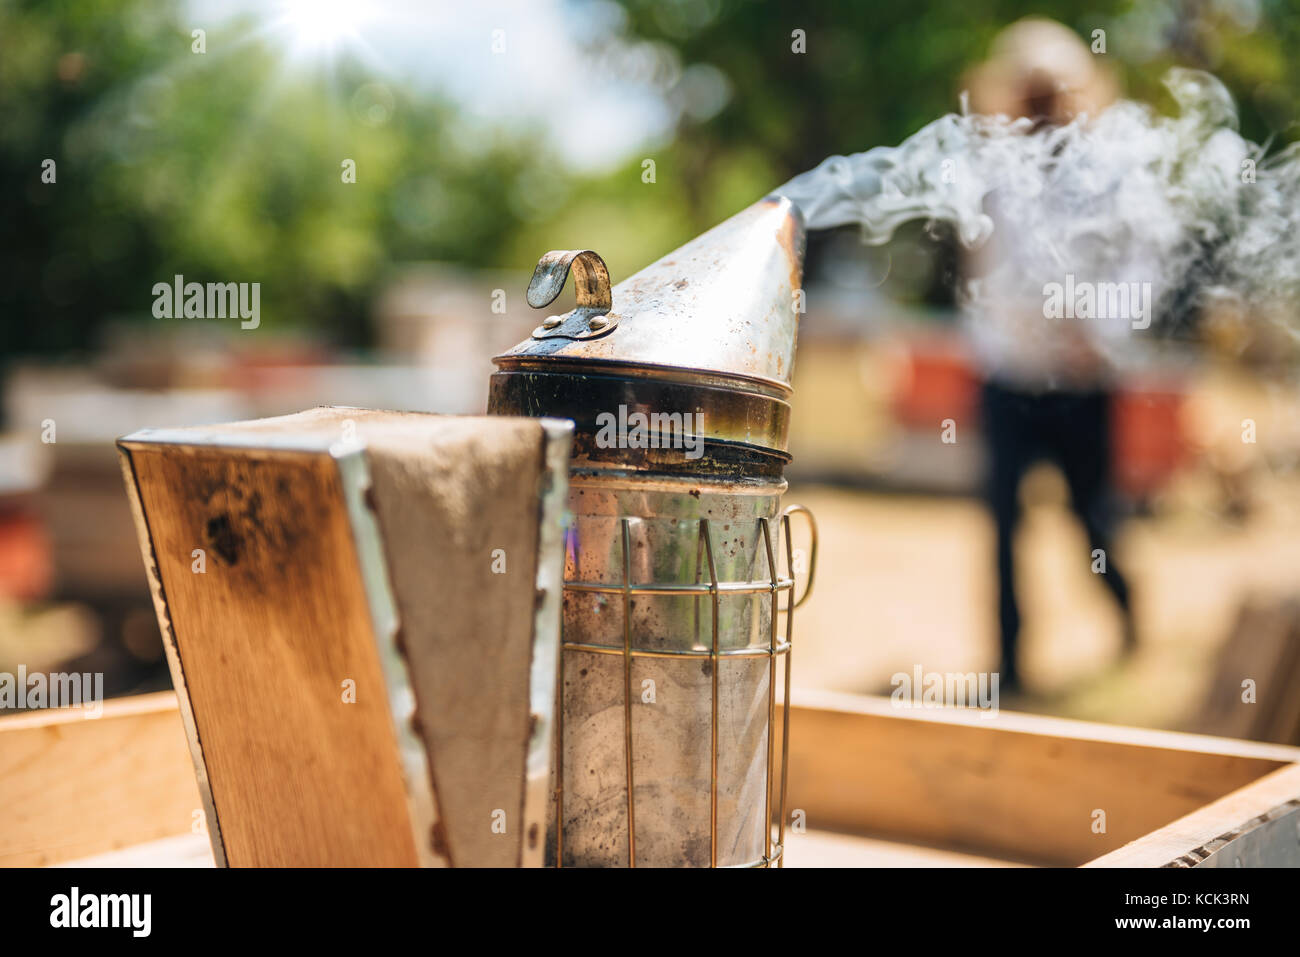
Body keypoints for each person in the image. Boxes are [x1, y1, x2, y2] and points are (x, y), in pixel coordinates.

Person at [961, 19, 1134, 691]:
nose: (1039, 106)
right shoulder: (992, 177)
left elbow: (1133, 268)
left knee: (1090, 518)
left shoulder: (1106, 176)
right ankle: (1011, 662)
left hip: (1083, 383)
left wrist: (1100, 334)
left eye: (1048, 92)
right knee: (1003, 527)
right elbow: (985, 272)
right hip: (1008, 379)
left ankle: (1126, 611)